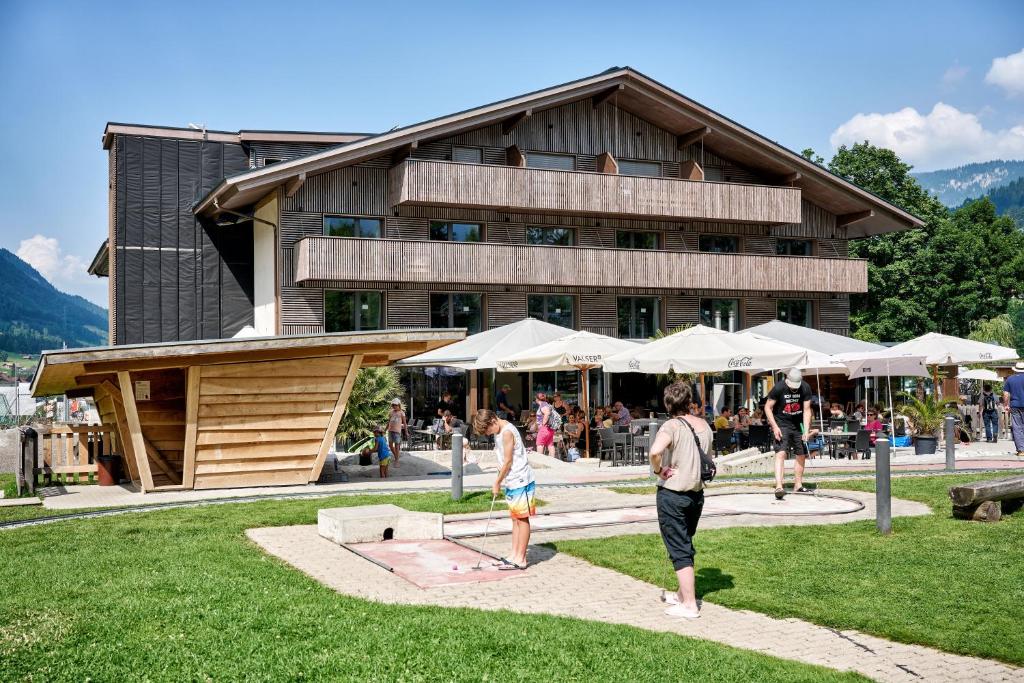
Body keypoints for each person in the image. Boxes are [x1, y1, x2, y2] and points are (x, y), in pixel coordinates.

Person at [649, 381, 711, 619]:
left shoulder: (671, 426)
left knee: (679, 548)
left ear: (667, 403)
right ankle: (683, 594)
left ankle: (689, 605)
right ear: (689, 402)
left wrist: (659, 470)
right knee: (685, 542)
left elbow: (655, 451)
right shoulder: (704, 425)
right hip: (696, 495)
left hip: (673, 494)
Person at [474, 409, 535, 569]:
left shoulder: (507, 432)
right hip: (512, 480)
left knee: (522, 518)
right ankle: (514, 555)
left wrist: (497, 482)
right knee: (515, 518)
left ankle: (521, 558)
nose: (488, 433)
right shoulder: (498, 432)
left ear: (493, 421)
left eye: (487, 430)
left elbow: (508, 461)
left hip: (520, 479)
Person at [765, 368, 813, 499]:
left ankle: (798, 485)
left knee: (801, 454)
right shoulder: (779, 388)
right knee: (781, 453)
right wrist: (774, 427)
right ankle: (779, 486)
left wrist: (806, 430)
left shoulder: (805, 387)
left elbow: (807, 410)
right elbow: (767, 407)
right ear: (787, 380)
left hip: (798, 425)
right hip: (781, 424)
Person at [1003, 362, 1024, 456]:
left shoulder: (1010, 379)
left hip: (1015, 406)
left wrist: (1006, 405)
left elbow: (1006, 394)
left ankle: (1021, 450)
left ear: (1015, 369)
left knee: (1017, 427)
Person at [534, 391, 557, 458]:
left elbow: (547, 413)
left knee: (540, 444)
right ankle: (553, 460)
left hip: (544, 429)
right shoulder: (547, 404)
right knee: (550, 444)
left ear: (537, 399)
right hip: (550, 428)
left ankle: (540, 460)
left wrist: (543, 423)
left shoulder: (543, 405)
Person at [387, 398, 407, 467]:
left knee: (396, 446)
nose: (394, 406)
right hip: (390, 430)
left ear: (399, 405)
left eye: (395, 405)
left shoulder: (402, 413)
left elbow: (404, 423)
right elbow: (389, 421)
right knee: (390, 445)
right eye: (393, 405)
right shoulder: (391, 412)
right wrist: (385, 429)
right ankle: (396, 456)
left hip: (397, 431)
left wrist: (406, 432)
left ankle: (397, 461)